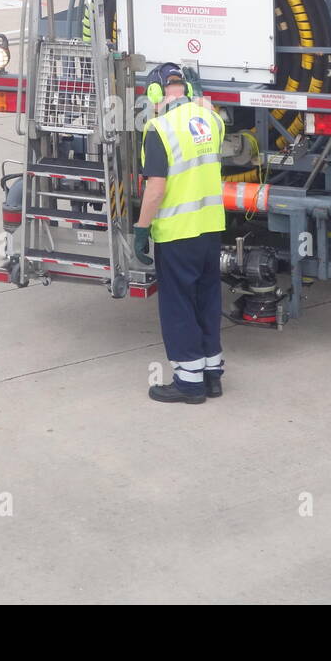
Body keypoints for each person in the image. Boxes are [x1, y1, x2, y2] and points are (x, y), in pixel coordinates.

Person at [133, 62, 227, 405]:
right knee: (207, 299)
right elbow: (205, 120)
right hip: (210, 228)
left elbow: (156, 188)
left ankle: (189, 382)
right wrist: (199, 95)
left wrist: (141, 229)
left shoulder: (158, 128)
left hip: (177, 232)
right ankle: (212, 373)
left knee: (178, 306)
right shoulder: (212, 119)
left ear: (155, 92)